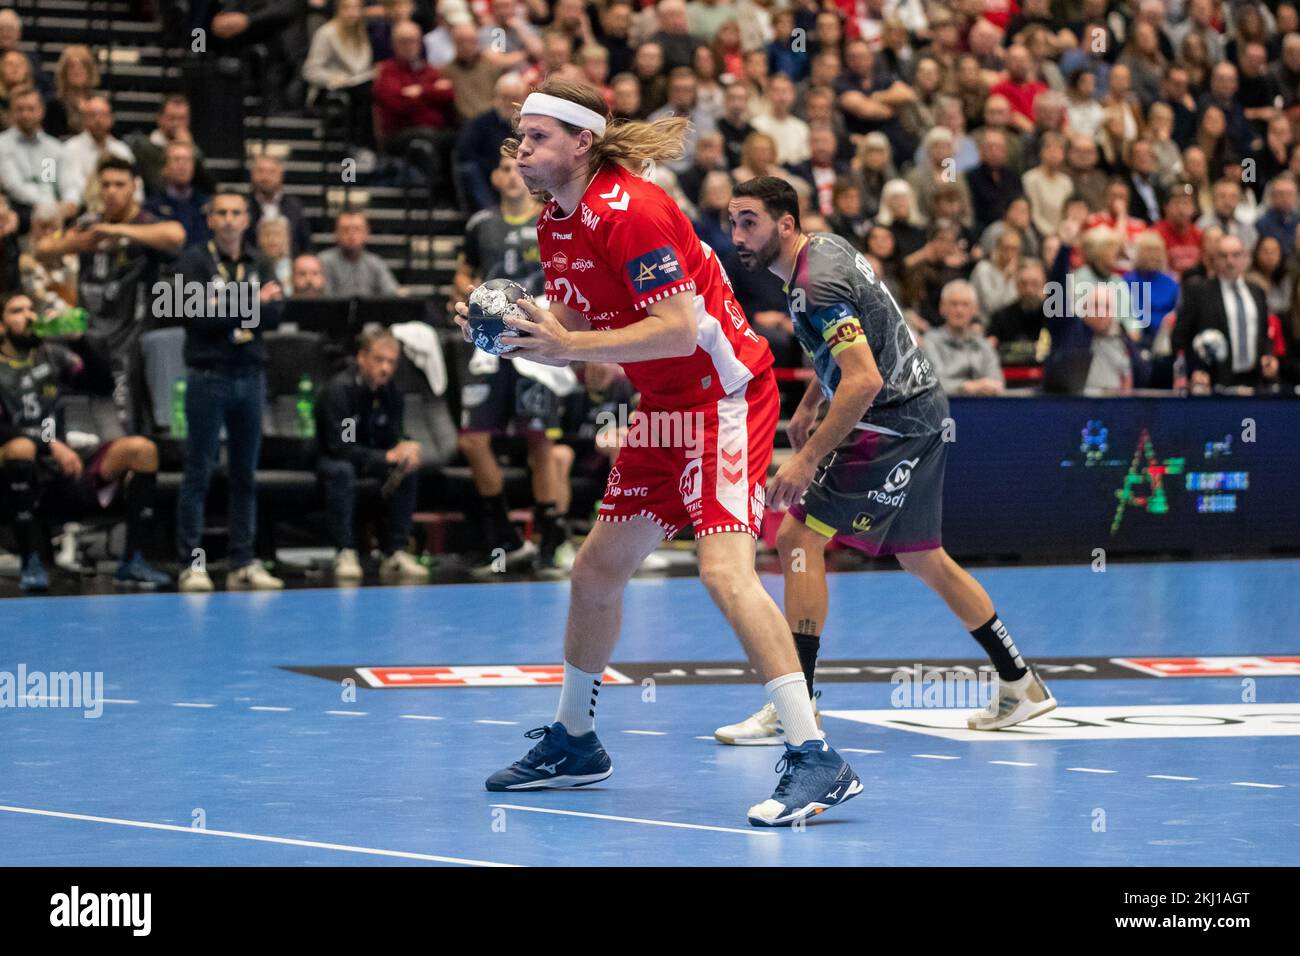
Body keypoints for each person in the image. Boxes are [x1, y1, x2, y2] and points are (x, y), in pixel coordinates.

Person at [452, 79, 860, 827]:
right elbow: (580, 330)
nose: (522, 149)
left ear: (581, 142)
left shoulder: (633, 210)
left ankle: (815, 756)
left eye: (538, 136)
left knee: (725, 573)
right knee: (597, 567)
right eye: (519, 136)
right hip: (664, 408)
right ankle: (575, 741)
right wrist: (511, 330)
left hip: (725, 401)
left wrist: (569, 344)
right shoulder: (555, 222)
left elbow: (675, 329)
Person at [719, 176, 1056, 748]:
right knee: (924, 558)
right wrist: (811, 398)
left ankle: (795, 707)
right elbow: (853, 349)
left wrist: (805, 460)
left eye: (748, 221)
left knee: (797, 540)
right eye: (732, 221)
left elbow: (865, 378)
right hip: (921, 408)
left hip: (890, 419)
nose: (736, 235)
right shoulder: (826, 248)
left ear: (785, 224)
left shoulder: (815, 282)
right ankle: (1019, 682)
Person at [452, 153, 574, 575]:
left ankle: (550, 542)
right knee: (472, 438)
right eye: (502, 168)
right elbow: (463, 273)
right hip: (488, 338)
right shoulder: (479, 224)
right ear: (494, 175)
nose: (510, 175)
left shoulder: (554, 219)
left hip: (535, 336)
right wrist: (470, 299)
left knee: (539, 441)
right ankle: (504, 539)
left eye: (516, 168)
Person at [0, 291, 170, 591]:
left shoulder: (51, 354)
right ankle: (30, 561)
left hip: (62, 462)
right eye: (17, 311)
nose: (29, 316)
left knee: (142, 451)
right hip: (16, 468)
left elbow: (102, 383)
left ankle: (132, 561)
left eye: (31, 310)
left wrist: (78, 339)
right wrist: (47, 443)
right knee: (20, 448)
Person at [172, 192, 286, 592]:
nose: (229, 219)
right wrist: (252, 299)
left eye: (237, 212)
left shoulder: (259, 261)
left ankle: (243, 560)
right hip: (209, 375)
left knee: (245, 473)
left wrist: (225, 303)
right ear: (209, 218)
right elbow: (195, 315)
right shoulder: (193, 261)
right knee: (199, 469)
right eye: (220, 212)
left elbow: (276, 313)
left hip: (250, 374)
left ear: (247, 219)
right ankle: (192, 562)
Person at [37, 157, 186, 420]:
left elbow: (176, 236)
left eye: (120, 184)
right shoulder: (89, 223)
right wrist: (77, 245)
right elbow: (43, 249)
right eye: (106, 185)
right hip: (90, 337)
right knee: (83, 413)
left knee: (126, 418)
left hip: (130, 339)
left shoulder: (144, 221)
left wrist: (118, 231)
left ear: (133, 187)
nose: (112, 191)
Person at [314, 326, 428, 583]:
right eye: (379, 360)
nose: (385, 368)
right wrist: (387, 457)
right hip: (334, 458)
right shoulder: (339, 391)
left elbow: (396, 434)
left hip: (370, 457)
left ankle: (396, 551)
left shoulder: (391, 392)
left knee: (408, 466)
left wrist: (407, 447)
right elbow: (341, 448)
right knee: (342, 470)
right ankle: (345, 552)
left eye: (391, 362)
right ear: (361, 358)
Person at [1174, 234, 1279, 391]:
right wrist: (1194, 370)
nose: (1230, 261)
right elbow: (1179, 338)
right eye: (1223, 256)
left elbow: (1263, 335)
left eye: (1236, 255)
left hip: (1254, 383)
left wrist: (1269, 357)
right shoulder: (1199, 292)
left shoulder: (1257, 292)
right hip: (1214, 383)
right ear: (1214, 260)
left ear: (1246, 257)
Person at [921, 279, 1006, 395]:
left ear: (974, 309)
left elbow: (997, 382)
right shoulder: (930, 342)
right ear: (942, 308)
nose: (959, 310)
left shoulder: (983, 345)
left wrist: (987, 387)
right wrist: (968, 387)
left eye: (965, 304)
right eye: (953, 304)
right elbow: (932, 382)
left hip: (982, 407)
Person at [318, 211, 400, 296]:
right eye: (345, 229)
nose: (351, 234)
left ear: (366, 233)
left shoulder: (375, 263)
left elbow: (391, 293)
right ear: (336, 233)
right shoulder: (322, 262)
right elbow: (322, 298)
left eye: (357, 229)